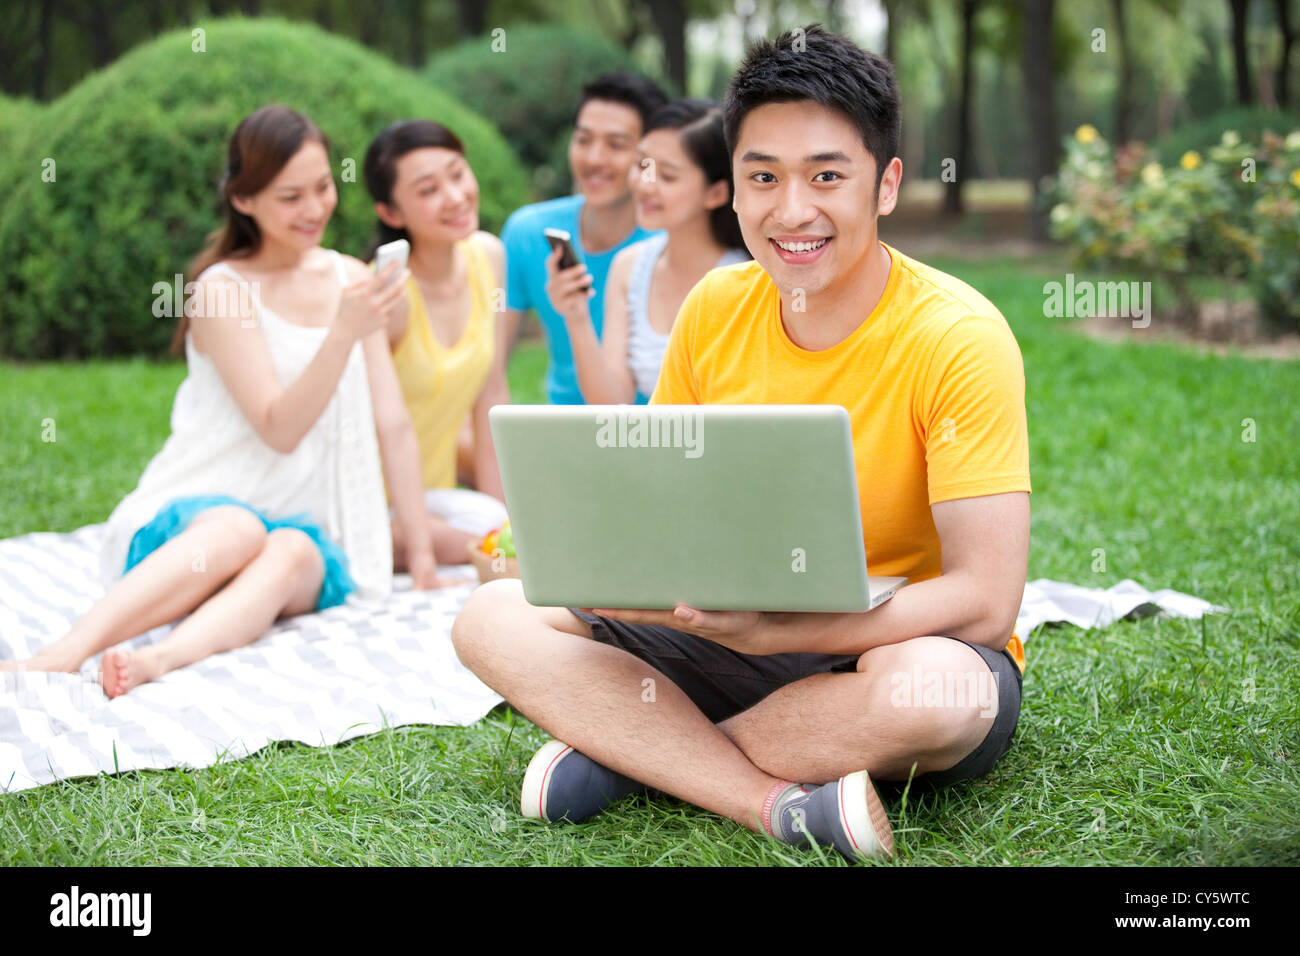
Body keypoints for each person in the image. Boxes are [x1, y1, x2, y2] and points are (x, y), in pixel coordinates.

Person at [452, 26, 1031, 862]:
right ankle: (770, 801)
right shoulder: (717, 308)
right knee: (490, 615)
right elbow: (657, 511)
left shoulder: (959, 336)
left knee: (934, 701)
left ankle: (635, 756)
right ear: (734, 185)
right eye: (763, 178)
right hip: (726, 632)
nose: (791, 211)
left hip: (889, 644)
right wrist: (637, 580)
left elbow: (985, 598)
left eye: (827, 176)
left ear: (888, 184)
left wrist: (785, 631)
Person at [0, 104, 440, 698]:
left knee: (289, 548)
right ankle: (66, 652)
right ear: (243, 199)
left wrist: (420, 558)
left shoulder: (350, 279)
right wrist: (343, 331)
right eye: (290, 197)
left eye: (322, 188)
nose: (314, 209)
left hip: (302, 533)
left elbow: (392, 423)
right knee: (240, 530)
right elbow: (278, 428)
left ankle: (160, 659)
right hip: (194, 529)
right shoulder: (221, 292)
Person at [363, 120, 511, 565]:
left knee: (507, 534)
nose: (455, 196)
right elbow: (382, 423)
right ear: (391, 213)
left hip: (433, 494)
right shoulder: (387, 295)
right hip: (368, 503)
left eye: (458, 173)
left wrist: (506, 525)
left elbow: (491, 394)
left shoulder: (486, 256)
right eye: (428, 190)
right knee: (491, 545)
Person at [546, 99, 750, 404]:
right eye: (642, 165)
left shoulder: (749, 278)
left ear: (717, 192)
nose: (643, 184)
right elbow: (613, 404)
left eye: (667, 176)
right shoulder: (630, 266)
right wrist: (576, 316)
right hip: (654, 449)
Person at [500, 72, 668, 405]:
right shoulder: (527, 233)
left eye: (616, 145)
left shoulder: (671, 243)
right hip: (565, 435)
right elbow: (490, 368)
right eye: (583, 140)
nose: (594, 159)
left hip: (657, 436)